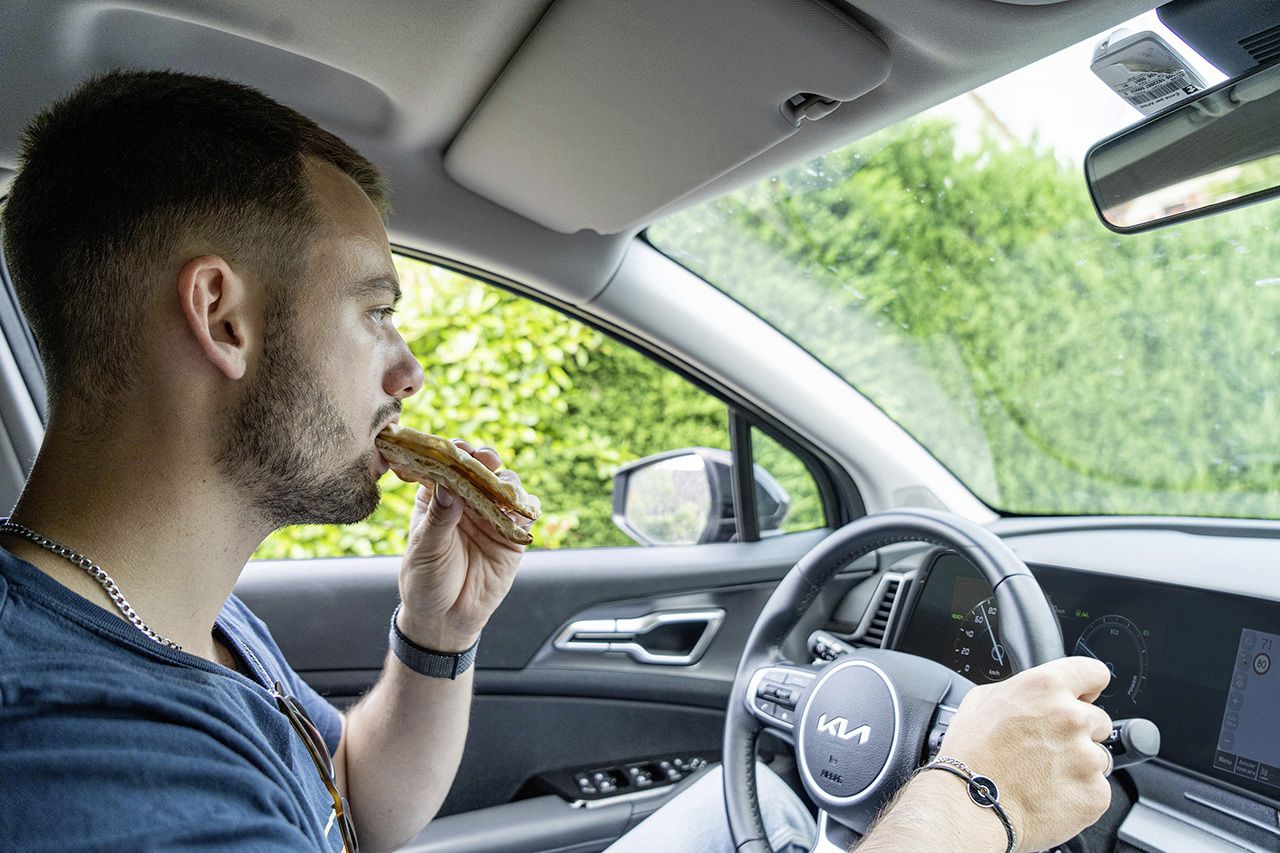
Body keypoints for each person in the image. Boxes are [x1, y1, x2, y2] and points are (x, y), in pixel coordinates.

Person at [0, 70, 1113, 853]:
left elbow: (349, 803)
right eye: (375, 310)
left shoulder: (172, 619)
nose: (409, 373)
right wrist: (971, 801)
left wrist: (436, 636)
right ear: (223, 317)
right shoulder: (84, 759)